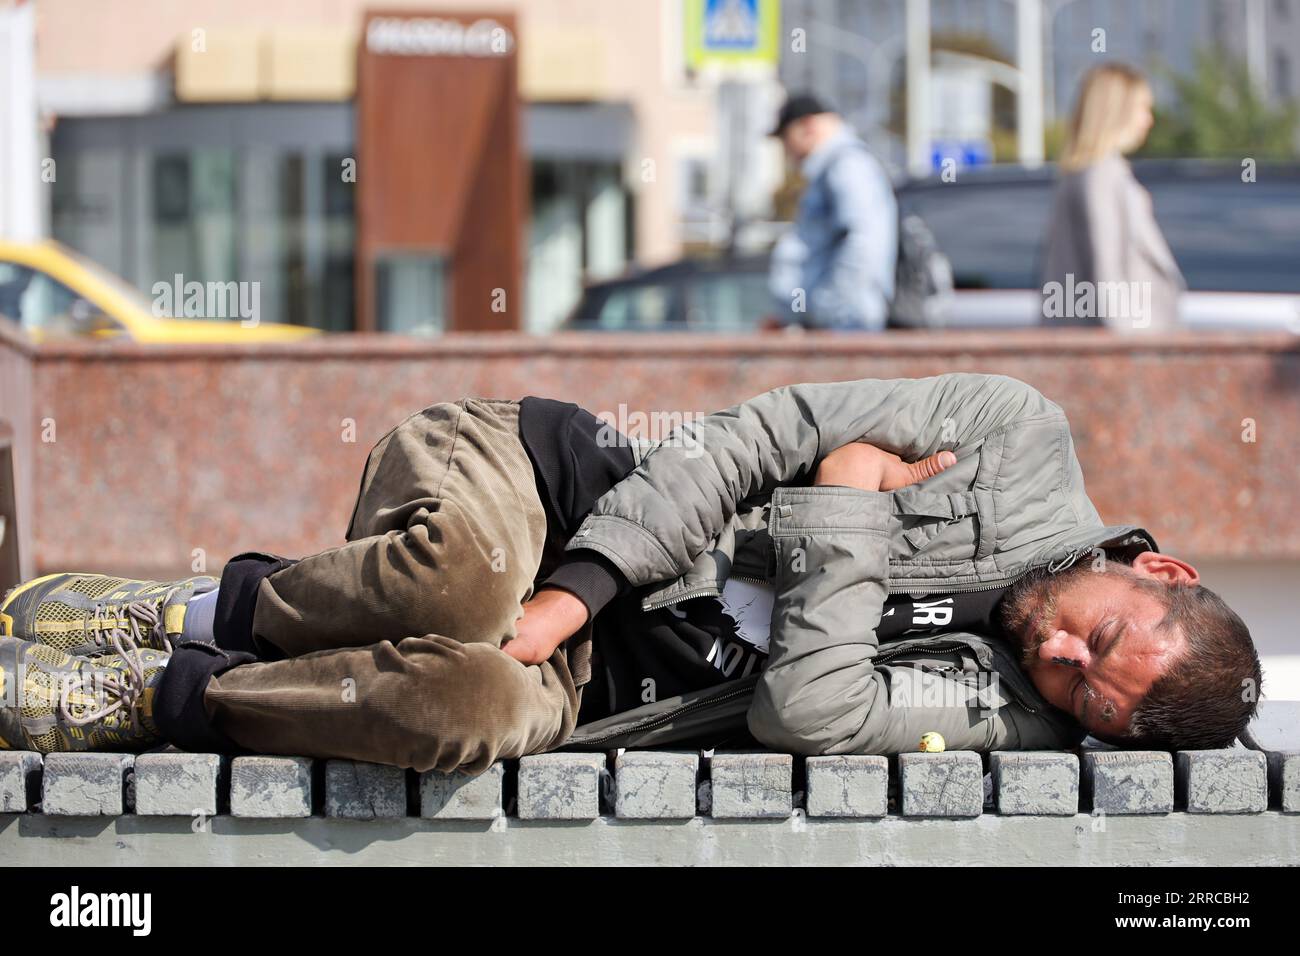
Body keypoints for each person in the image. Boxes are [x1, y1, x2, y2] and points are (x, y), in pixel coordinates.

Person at [0, 374, 1261, 770]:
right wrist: (577, 584)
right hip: (551, 489)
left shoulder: (1016, 713)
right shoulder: (1016, 431)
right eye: (1102, 638)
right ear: (1161, 566)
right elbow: (754, 436)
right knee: (451, 585)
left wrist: (848, 505)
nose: (1060, 662)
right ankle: (201, 606)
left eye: (1086, 696)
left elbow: (806, 709)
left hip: (609, 694)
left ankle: (164, 690)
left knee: (466, 710)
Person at [1041, 62, 1186, 332]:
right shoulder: (1100, 176)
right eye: (1143, 108)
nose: (1149, 120)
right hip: (1128, 341)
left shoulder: (1090, 173)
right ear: (1118, 109)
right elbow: (1107, 276)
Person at [766, 93, 897, 331]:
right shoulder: (837, 166)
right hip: (837, 322)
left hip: (844, 323)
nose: (786, 150)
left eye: (786, 138)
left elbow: (863, 239)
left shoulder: (847, 165)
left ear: (807, 126)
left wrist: (831, 309)